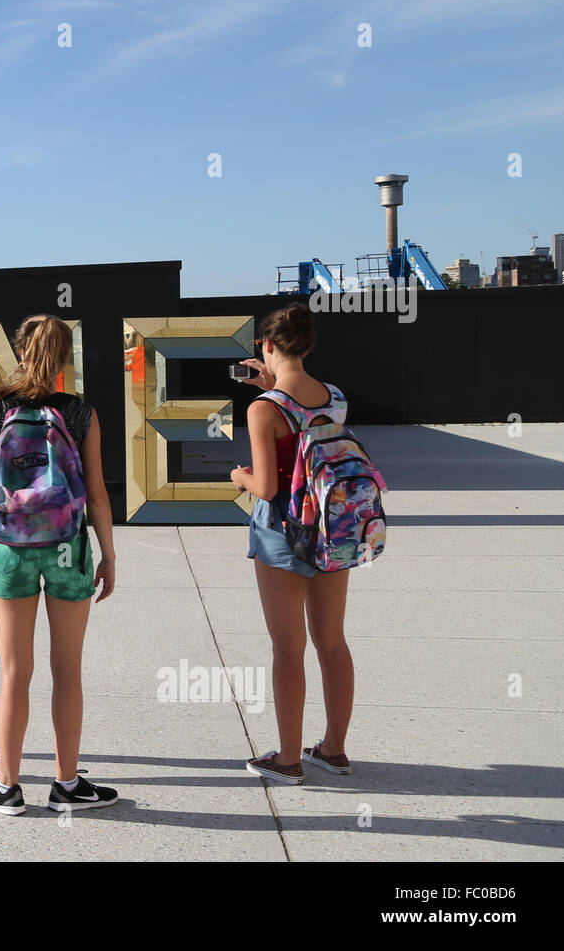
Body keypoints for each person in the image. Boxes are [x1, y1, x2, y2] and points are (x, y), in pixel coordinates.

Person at [0, 315, 116, 816]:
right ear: (65, 357)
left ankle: (6, 787)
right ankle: (67, 786)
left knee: (14, 671)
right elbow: (95, 493)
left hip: (11, 545)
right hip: (69, 546)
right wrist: (109, 554)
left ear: (21, 353)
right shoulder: (80, 414)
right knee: (66, 669)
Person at [230, 303, 354, 785]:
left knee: (288, 647)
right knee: (331, 640)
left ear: (267, 347)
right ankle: (334, 749)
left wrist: (237, 475)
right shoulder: (335, 397)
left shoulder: (262, 409)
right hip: (334, 526)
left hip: (283, 534)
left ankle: (288, 759)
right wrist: (273, 387)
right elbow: (306, 426)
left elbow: (265, 485)